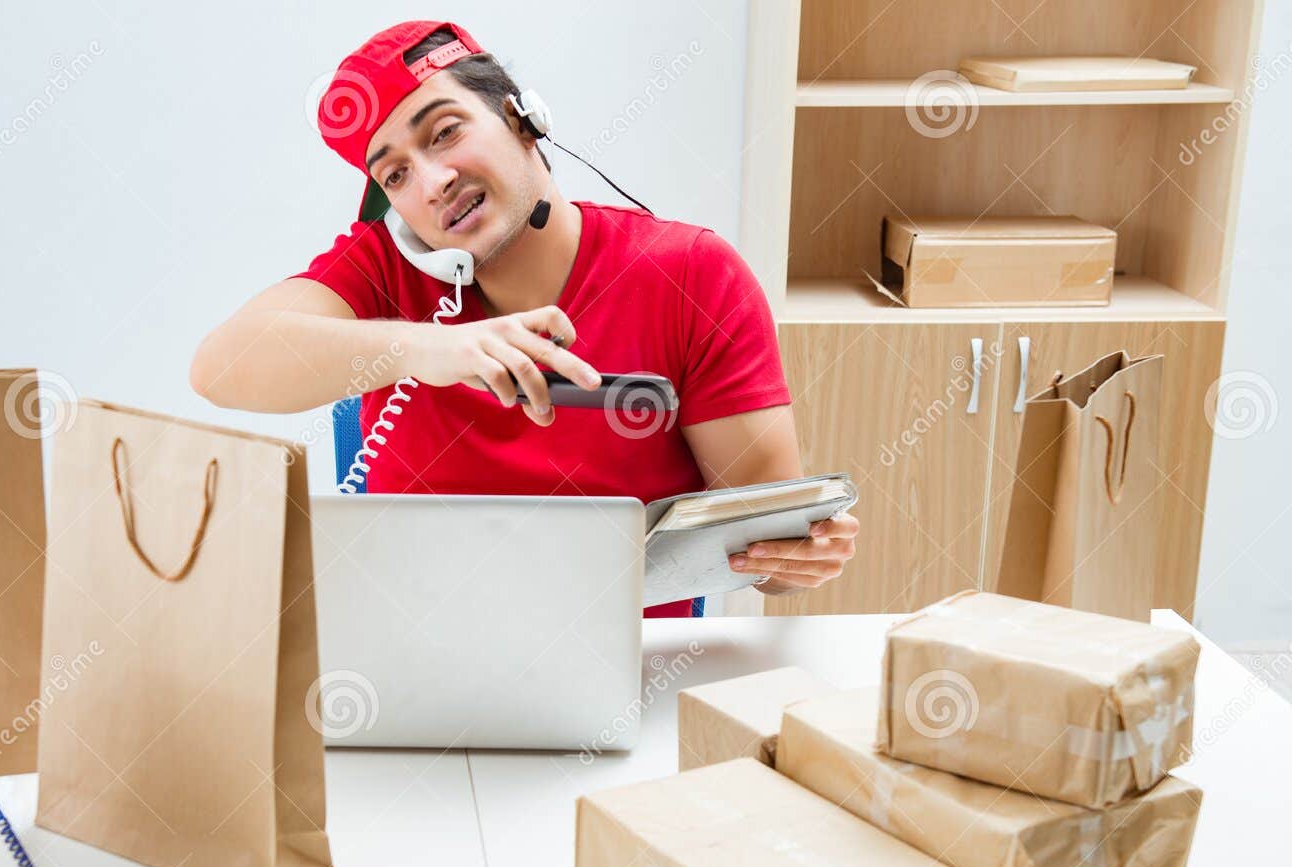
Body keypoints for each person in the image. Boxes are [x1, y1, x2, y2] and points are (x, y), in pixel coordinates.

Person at [190, 20, 857, 614]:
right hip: (420, 656)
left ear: (523, 118)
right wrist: (427, 351)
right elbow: (222, 368)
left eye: (444, 132)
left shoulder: (692, 274)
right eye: (394, 175)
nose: (431, 182)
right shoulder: (382, 273)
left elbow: (765, 542)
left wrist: (794, 565)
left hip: (633, 671)